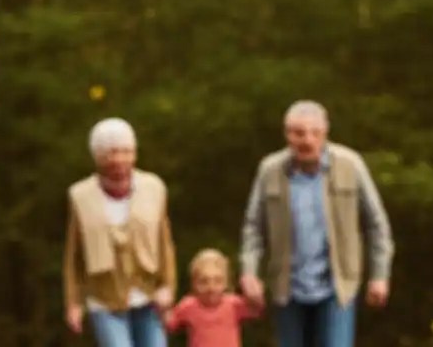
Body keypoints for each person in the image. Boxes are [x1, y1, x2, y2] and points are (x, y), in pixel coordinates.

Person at [238, 100, 394, 347]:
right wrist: (249, 272)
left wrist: (380, 275)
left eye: (314, 133)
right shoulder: (270, 170)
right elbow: (253, 227)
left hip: (337, 284)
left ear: (325, 132)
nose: (307, 140)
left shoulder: (350, 164)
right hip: (287, 285)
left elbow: (376, 224)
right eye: (298, 133)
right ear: (287, 134)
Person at [64, 118, 177, 347]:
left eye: (126, 151)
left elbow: (164, 244)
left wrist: (168, 287)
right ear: (98, 157)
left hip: (149, 296)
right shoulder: (81, 196)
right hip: (104, 300)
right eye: (110, 153)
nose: (119, 160)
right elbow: (73, 257)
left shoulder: (153, 188)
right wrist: (73, 303)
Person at [164, 249, 261, 347]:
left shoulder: (233, 304)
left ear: (226, 283)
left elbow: (256, 310)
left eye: (217, 281)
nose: (211, 288)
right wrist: (164, 306)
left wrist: (255, 295)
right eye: (203, 282)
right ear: (194, 283)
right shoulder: (189, 305)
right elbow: (170, 324)